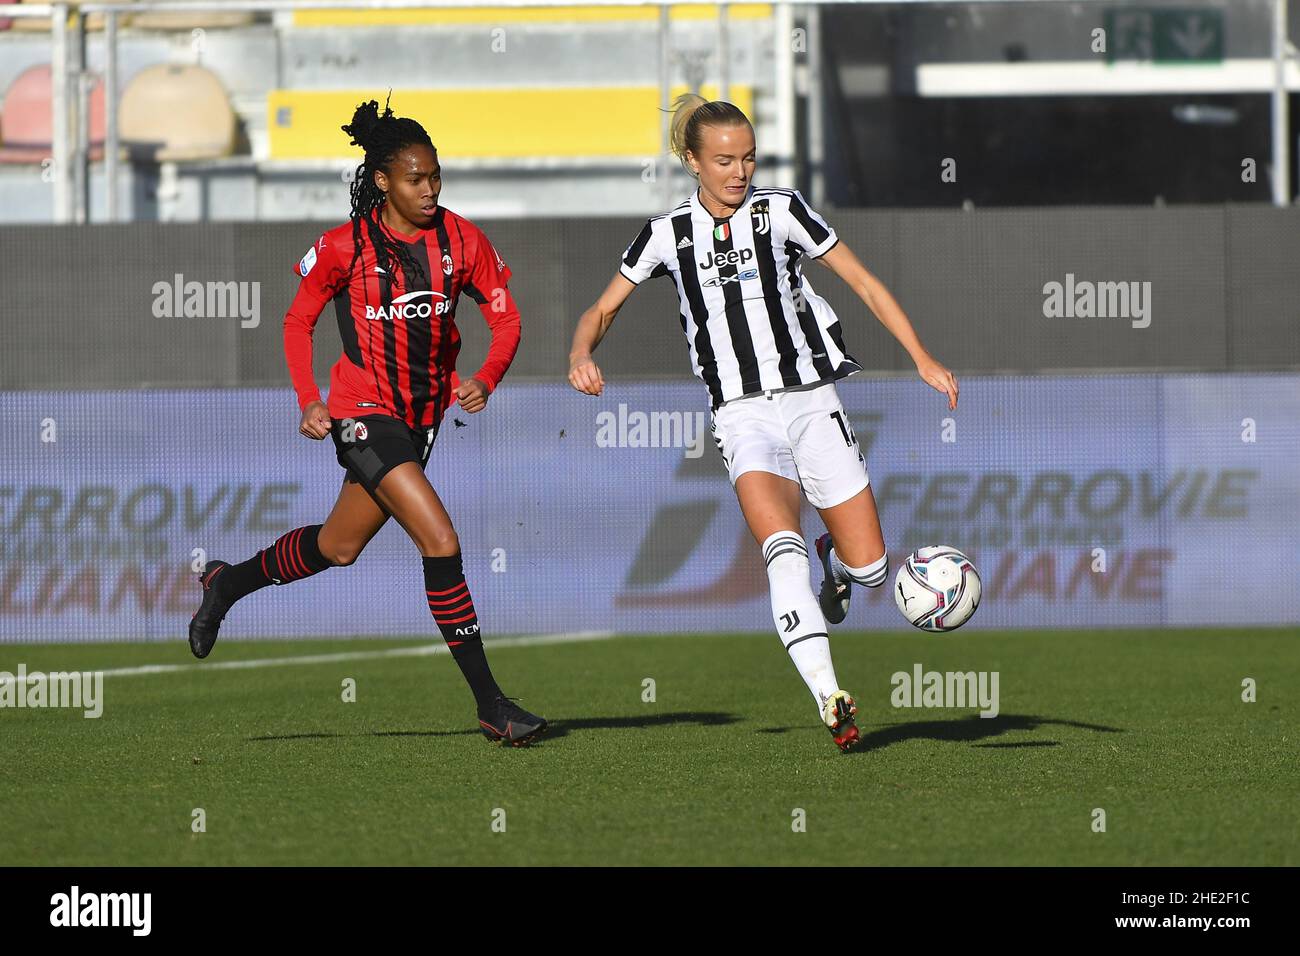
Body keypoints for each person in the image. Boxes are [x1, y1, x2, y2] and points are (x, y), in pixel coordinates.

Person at [568, 95, 958, 752]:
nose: (739, 171)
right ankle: (829, 695)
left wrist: (921, 356)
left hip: (812, 401)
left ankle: (839, 567)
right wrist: (581, 352)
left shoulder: (782, 212)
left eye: (748, 157)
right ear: (692, 160)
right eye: (723, 160)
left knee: (868, 571)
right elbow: (600, 310)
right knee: (781, 550)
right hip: (741, 415)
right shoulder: (666, 234)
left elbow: (862, 282)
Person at [188, 98, 547, 746]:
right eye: (416, 178)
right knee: (440, 541)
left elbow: (507, 318)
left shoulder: (462, 240)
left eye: (436, 176)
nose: (430, 189)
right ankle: (492, 705)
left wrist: (485, 379)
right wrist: (308, 398)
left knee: (338, 547)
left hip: (421, 420)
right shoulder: (343, 247)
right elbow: (298, 320)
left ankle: (227, 581)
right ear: (382, 181)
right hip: (361, 415)